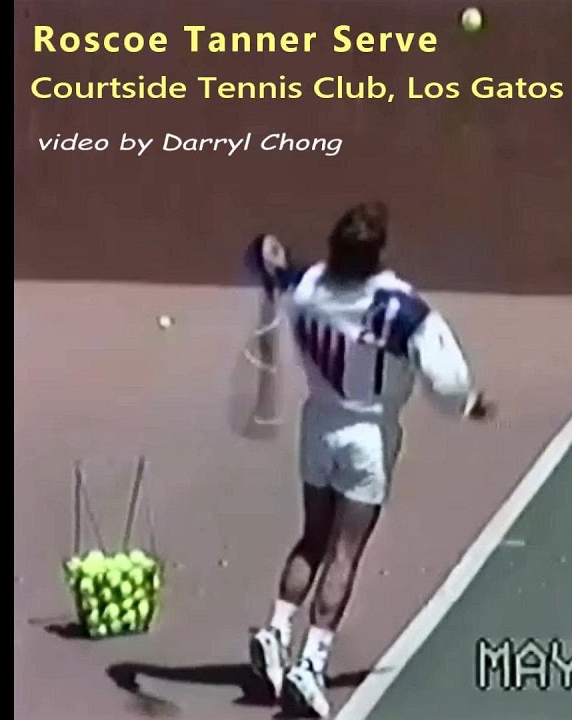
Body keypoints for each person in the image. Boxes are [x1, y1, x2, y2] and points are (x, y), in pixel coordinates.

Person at [242, 202, 495, 717]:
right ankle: (310, 663)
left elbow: (266, 265)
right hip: (367, 438)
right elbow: (445, 379)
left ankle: (276, 630)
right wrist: (468, 404)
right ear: (376, 253)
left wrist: (266, 249)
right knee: (345, 553)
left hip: (317, 426)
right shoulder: (403, 308)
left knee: (313, 537)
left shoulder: (306, 287)